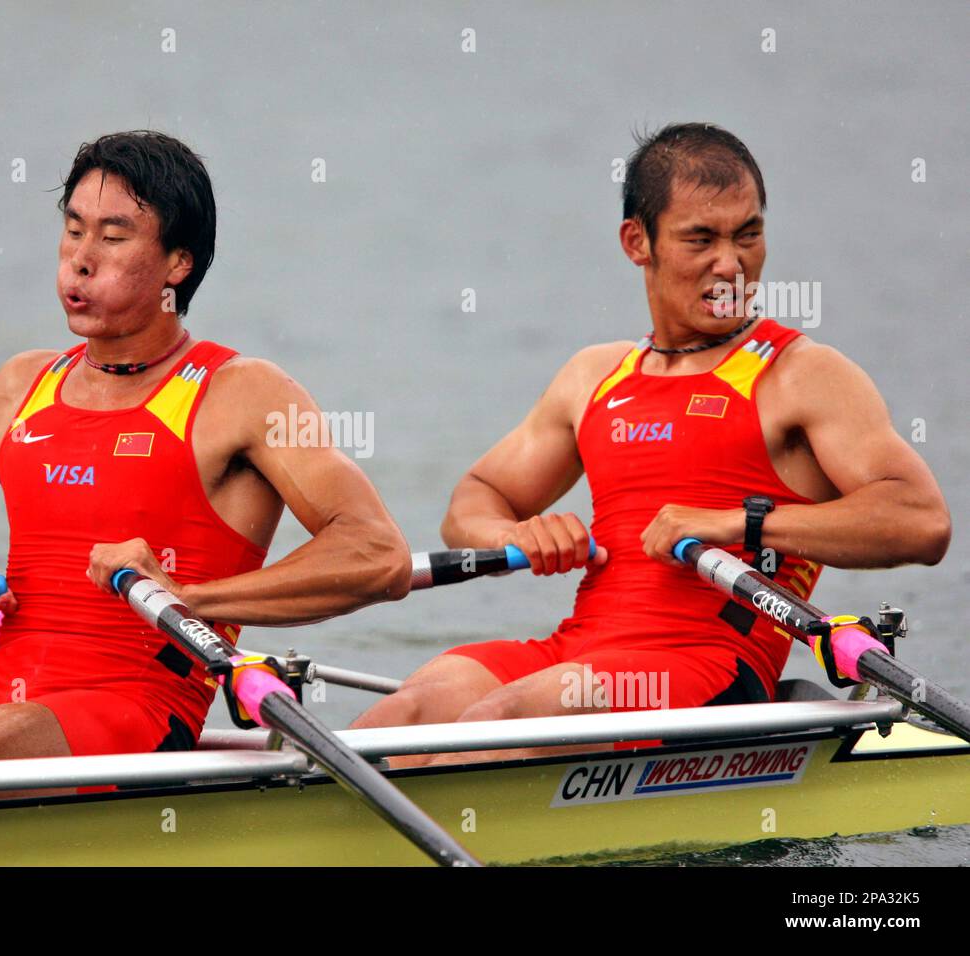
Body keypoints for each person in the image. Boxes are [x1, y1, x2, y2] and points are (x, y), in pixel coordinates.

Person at [0, 131, 411, 809]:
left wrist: (190, 597)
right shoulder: (22, 384)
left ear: (177, 265)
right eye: (73, 231)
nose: (80, 259)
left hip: (132, 709)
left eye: (113, 237)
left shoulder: (244, 393)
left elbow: (376, 554)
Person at [353, 123, 950, 766]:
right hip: (578, 648)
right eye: (702, 239)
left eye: (748, 234)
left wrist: (738, 522)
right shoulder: (596, 376)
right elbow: (473, 500)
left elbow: (920, 522)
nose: (731, 263)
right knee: (401, 718)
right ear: (638, 242)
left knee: (499, 719)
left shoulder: (803, 375)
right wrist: (513, 535)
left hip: (708, 668)